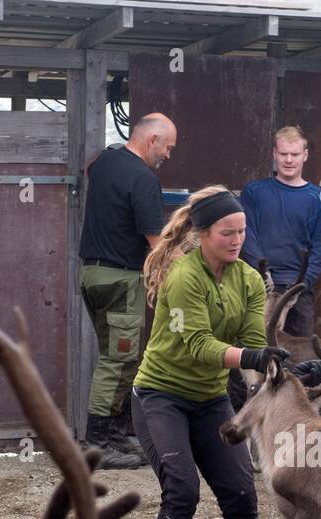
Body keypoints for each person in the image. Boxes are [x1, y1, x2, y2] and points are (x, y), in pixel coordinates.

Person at [132, 186, 290, 519]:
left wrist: (285, 365)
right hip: (160, 395)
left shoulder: (248, 280)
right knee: (182, 490)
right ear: (203, 234)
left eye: (242, 231)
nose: (237, 240)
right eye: (227, 232)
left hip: (208, 400)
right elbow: (198, 346)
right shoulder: (185, 277)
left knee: (241, 493)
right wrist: (255, 359)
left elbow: (249, 340)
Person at [78, 112, 177, 469]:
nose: (168, 155)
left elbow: (87, 169)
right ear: (152, 141)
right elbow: (157, 244)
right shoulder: (143, 178)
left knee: (119, 354)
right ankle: (98, 444)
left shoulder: (105, 162)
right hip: (121, 279)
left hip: (91, 275)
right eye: (168, 148)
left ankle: (117, 434)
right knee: (117, 358)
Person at [238, 125, 321, 339]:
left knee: (300, 356)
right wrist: (262, 273)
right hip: (258, 285)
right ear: (274, 154)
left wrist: (303, 282)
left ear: (305, 155)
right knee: (253, 349)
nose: (289, 160)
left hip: (298, 290)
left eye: (295, 154)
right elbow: (246, 234)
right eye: (283, 154)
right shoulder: (254, 192)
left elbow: (320, 247)